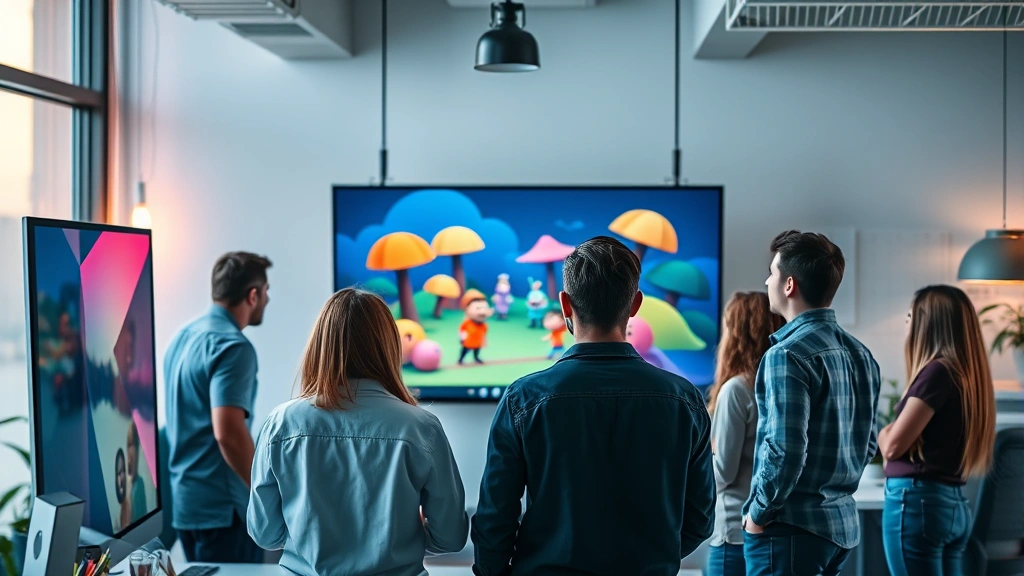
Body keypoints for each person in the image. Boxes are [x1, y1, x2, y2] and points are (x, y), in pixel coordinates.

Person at [472, 236, 714, 576]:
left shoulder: (522, 399)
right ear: (635, 305)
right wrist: (651, 556)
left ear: (565, 305)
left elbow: (494, 518)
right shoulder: (685, 400)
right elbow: (700, 520)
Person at [248, 288, 468, 575]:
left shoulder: (281, 424)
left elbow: (264, 533)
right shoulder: (421, 427)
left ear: (320, 345)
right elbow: (450, 537)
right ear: (388, 346)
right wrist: (397, 546)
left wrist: (308, 542)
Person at [742, 231, 881, 576]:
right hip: (839, 530)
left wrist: (758, 515)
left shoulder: (786, 354)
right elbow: (869, 443)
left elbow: (785, 450)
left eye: (772, 273)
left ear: (789, 285)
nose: (766, 280)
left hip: (789, 531)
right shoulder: (861, 354)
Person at [879, 285, 996, 576]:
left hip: (918, 505)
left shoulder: (936, 373)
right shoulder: (967, 377)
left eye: (910, 316)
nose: (906, 324)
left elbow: (892, 447)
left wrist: (883, 433)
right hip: (952, 506)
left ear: (925, 324)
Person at [165, 252, 272, 563]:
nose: (267, 298)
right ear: (253, 295)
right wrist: (265, 494)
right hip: (223, 509)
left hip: (186, 505)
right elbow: (228, 433)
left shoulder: (181, 338)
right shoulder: (233, 347)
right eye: (266, 291)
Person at [705, 292, 783, 576]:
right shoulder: (778, 385)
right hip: (768, 530)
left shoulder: (736, 390)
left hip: (734, 533)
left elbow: (722, 473)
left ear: (735, 333)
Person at [126, 421, 148, 523]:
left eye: (133, 445)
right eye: (128, 446)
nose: (130, 456)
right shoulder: (129, 486)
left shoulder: (139, 484)